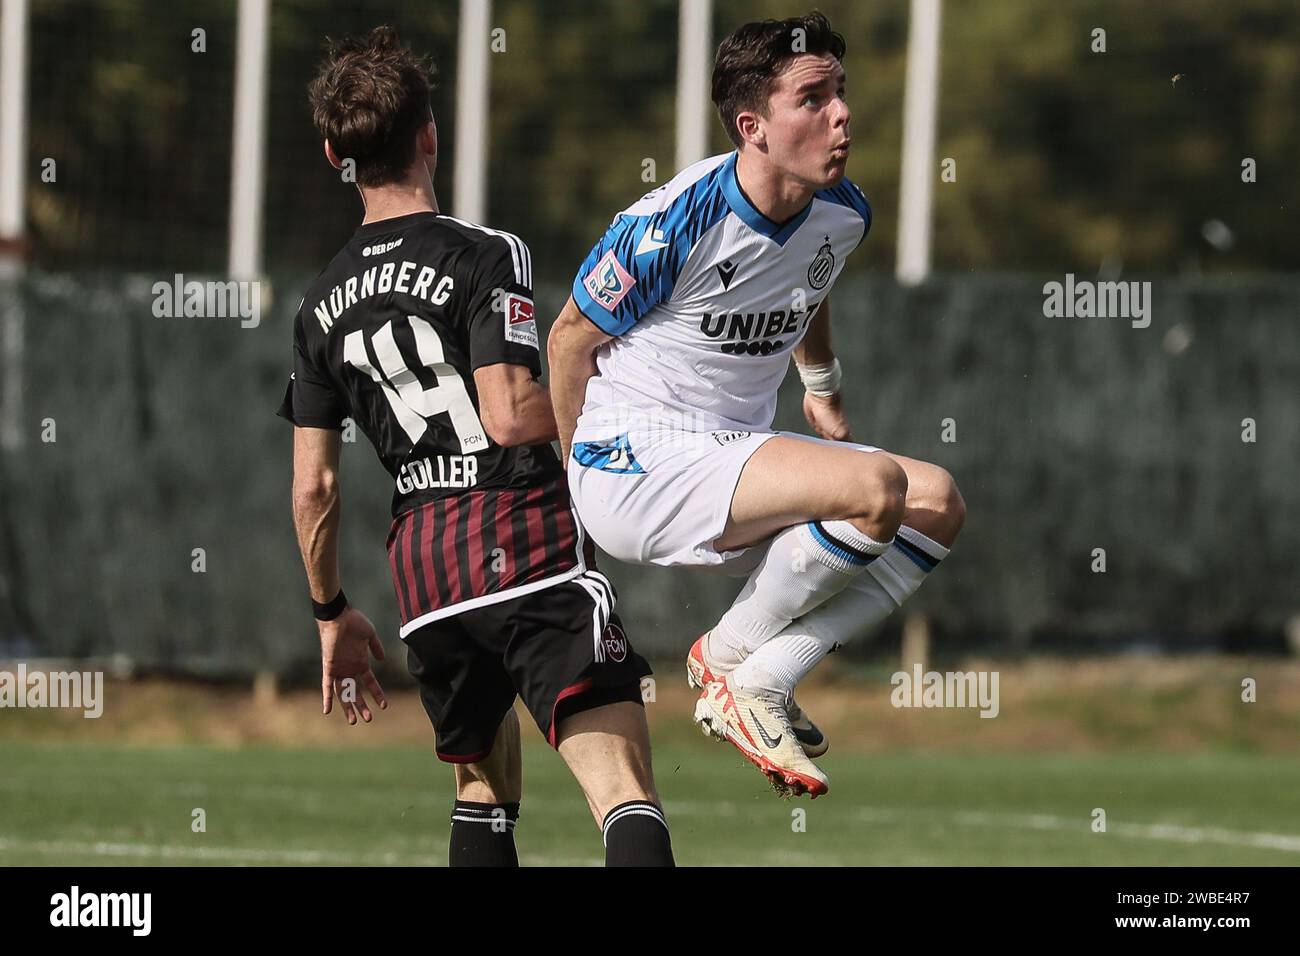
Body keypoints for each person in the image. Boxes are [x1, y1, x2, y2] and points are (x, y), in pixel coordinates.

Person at [278, 26, 672, 863]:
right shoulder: (487, 255)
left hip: (426, 570)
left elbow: (313, 489)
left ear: (331, 155)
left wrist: (330, 614)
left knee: (484, 795)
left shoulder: (318, 306)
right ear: (429, 136)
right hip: (523, 538)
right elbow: (510, 411)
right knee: (623, 792)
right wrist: (630, 405)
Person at [547, 12, 965, 798]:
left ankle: (763, 671)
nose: (841, 113)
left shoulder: (844, 211)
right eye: (813, 98)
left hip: (732, 449)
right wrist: (571, 490)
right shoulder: (672, 222)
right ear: (754, 126)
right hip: (635, 456)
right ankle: (736, 666)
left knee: (936, 503)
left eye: (841, 92)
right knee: (875, 489)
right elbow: (568, 342)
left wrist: (821, 388)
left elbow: (810, 284)